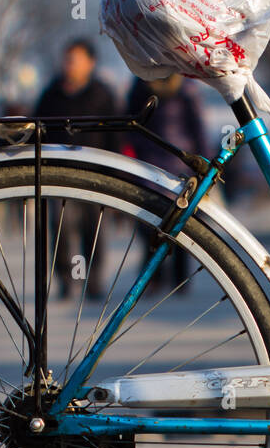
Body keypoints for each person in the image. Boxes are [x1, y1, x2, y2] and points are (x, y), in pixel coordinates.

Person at [33, 39, 118, 299]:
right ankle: (65, 280)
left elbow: (115, 137)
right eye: (67, 58)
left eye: (75, 59)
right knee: (59, 229)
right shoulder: (51, 94)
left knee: (94, 230)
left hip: (94, 174)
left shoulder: (102, 94)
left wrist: (115, 176)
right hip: (57, 175)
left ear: (90, 63)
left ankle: (93, 280)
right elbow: (35, 130)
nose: (69, 64)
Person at [124, 74, 206, 293]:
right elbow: (131, 124)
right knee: (150, 223)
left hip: (181, 163)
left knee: (180, 222)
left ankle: (178, 279)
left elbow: (198, 127)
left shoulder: (186, 89)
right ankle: (155, 277)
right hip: (149, 164)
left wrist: (203, 163)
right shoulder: (140, 86)